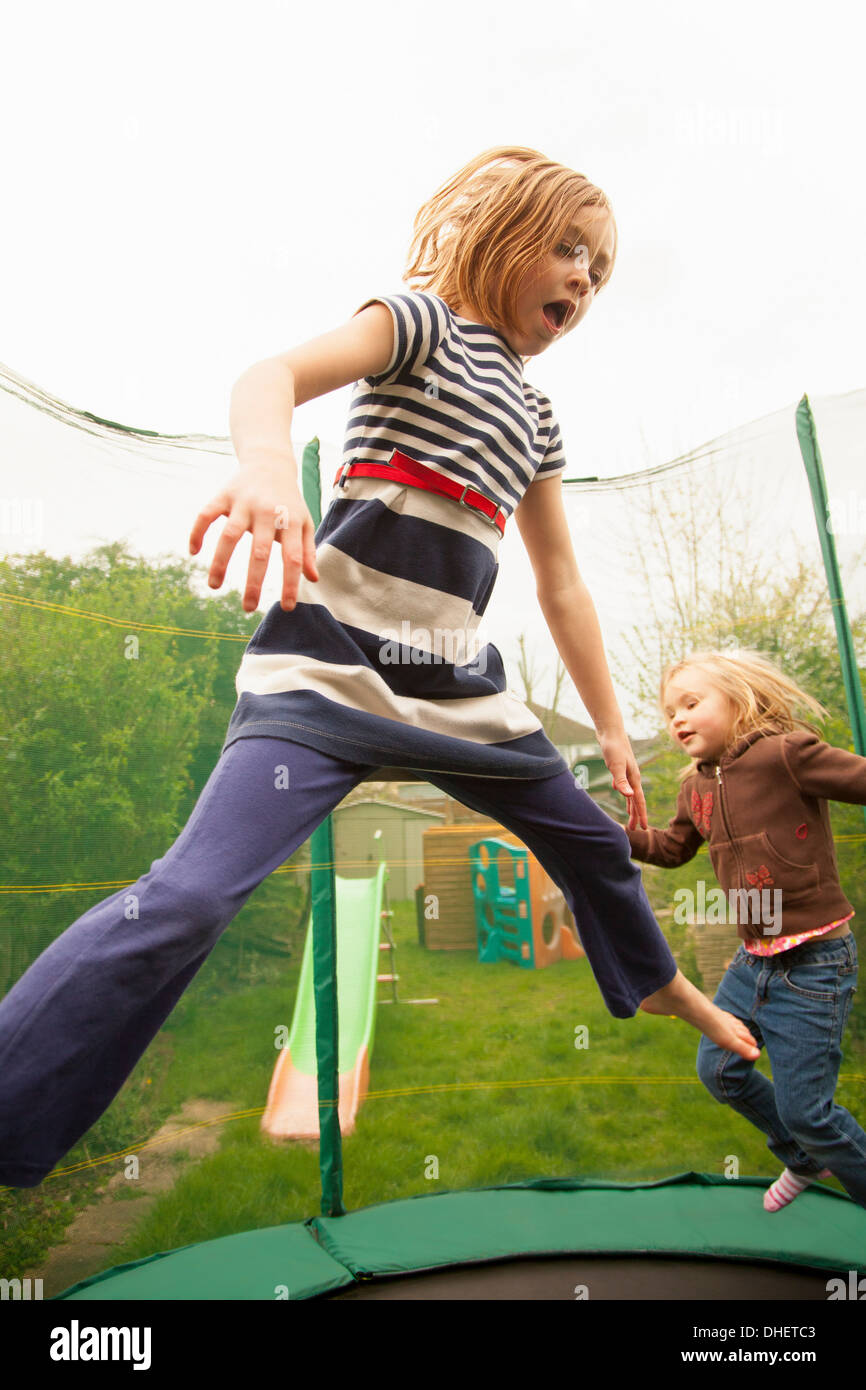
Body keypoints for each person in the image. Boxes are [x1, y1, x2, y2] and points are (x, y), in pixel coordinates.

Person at [0, 146, 758, 1191]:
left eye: (600, 271)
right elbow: (270, 377)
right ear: (498, 236)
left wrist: (614, 727)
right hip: (320, 677)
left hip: (454, 687)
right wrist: (269, 464)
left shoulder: (536, 417)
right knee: (183, 900)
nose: (583, 279)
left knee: (591, 842)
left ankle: (661, 985)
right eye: (567, 250)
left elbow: (562, 584)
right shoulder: (417, 322)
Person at [626, 648, 866, 1210]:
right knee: (720, 1071)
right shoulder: (695, 789)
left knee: (808, 1110)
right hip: (753, 961)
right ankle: (803, 1158)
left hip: (814, 963)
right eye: (669, 713)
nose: (677, 719)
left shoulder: (786, 754)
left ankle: (819, 1149)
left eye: (691, 703)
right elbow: (671, 848)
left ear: (738, 700)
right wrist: (615, 835)